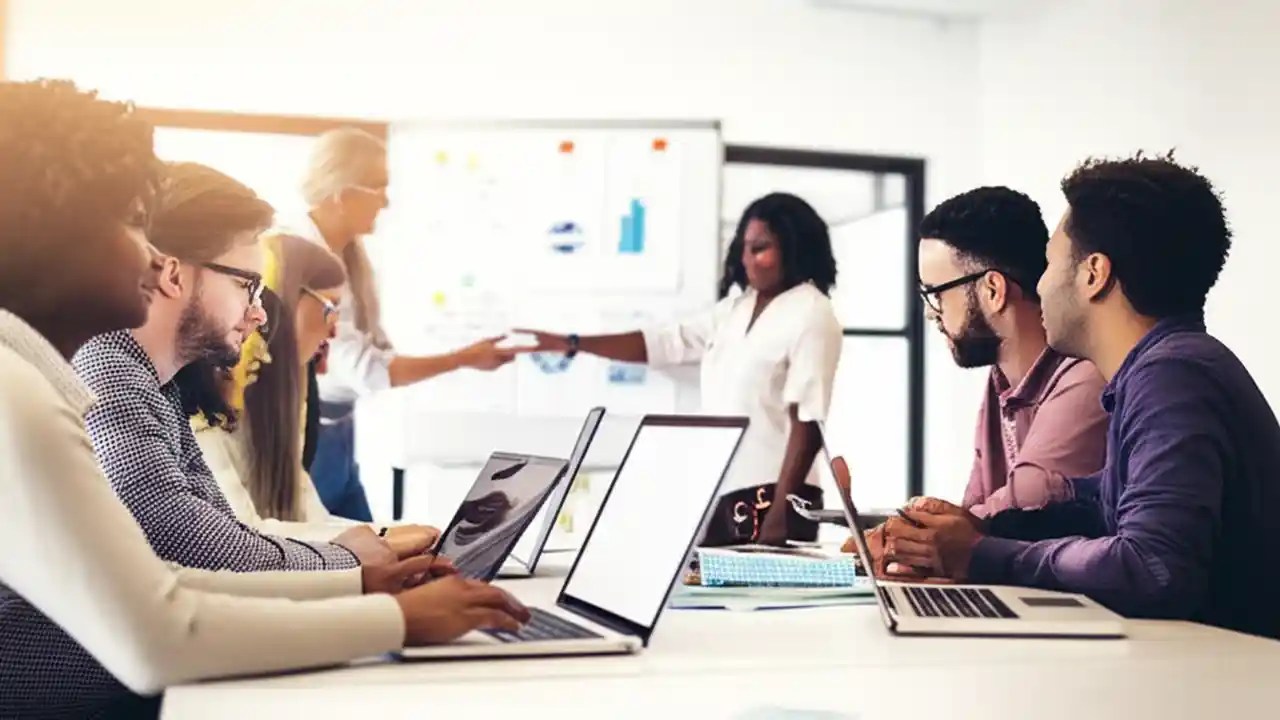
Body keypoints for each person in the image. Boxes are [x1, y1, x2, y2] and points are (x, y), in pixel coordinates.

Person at [0, 78, 527, 719]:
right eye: (134, 222)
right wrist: (395, 619)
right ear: (63, 231)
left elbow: (160, 581)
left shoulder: (31, 381)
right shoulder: (18, 395)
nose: (154, 256)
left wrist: (358, 583)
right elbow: (159, 632)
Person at [883, 153, 1280, 640]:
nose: (1039, 284)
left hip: (1230, 673)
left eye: (1050, 263)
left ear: (1094, 274)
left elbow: (1152, 567)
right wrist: (982, 530)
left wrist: (982, 554)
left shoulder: (1172, 376)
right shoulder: (1158, 370)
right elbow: (1106, 506)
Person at [72, 161, 431, 572]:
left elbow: (223, 529)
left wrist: (369, 557)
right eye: (246, 286)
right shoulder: (108, 374)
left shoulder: (160, 387)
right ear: (172, 275)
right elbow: (187, 540)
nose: (260, 315)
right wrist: (354, 562)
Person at [519, 192, 842, 546]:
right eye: (745, 248)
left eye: (760, 248)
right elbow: (664, 343)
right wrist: (570, 343)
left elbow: (808, 421)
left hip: (777, 497)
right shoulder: (735, 310)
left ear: (796, 248)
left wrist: (780, 513)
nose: (747, 259)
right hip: (725, 490)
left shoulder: (812, 312)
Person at [845, 187, 1107, 563]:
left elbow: (1027, 500)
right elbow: (972, 511)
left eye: (935, 293)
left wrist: (910, 536)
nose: (931, 312)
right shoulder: (1000, 382)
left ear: (993, 290)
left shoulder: (1086, 377)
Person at [293, 127, 518, 521]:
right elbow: (370, 371)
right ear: (342, 193)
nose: (386, 200)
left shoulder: (351, 258)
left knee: (373, 547)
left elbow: (375, 354)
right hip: (310, 442)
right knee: (351, 552)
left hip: (338, 433)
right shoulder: (306, 260)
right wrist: (463, 358)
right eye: (377, 187)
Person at [191, 232, 431, 551]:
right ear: (288, 303)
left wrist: (407, 535)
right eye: (330, 308)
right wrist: (392, 540)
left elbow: (311, 518)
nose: (333, 330)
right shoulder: (206, 406)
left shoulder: (283, 405)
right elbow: (244, 534)